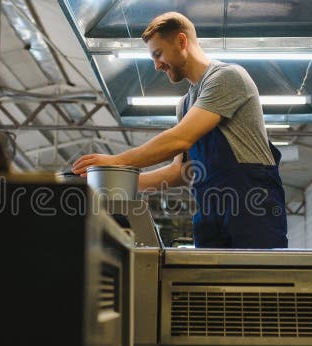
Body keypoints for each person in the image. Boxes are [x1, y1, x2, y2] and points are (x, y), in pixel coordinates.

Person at [72, 12, 287, 249]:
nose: (157, 65)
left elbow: (180, 139)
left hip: (251, 206)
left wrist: (117, 163)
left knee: (257, 282)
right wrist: (116, 182)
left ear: (182, 41)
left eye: (158, 54)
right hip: (210, 211)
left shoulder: (226, 77)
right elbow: (179, 171)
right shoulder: (185, 105)